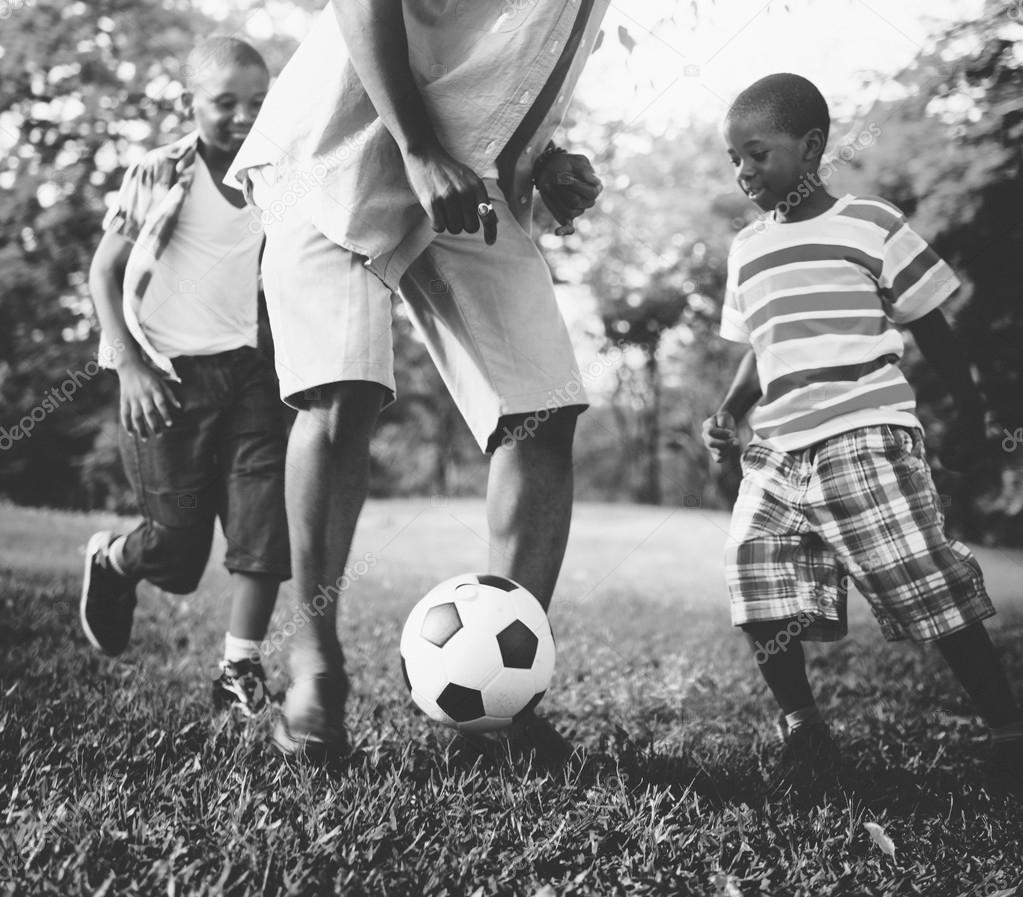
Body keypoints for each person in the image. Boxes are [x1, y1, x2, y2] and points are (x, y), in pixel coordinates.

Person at [225, 0, 609, 760]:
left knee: (542, 406)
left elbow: (495, 56)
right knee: (343, 391)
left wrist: (547, 155)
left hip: (471, 174)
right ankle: (316, 669)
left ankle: (499, 705)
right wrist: (416, 145)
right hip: (335, 149)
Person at [702, 72, 1022, 787]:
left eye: (757, 153)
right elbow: (762, 344)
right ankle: (802, 725)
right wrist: (726, 410)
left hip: (863, 434)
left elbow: (930, 324)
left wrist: (970, 413)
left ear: (810, 146)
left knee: (921, 577)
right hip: (776, 448)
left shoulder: (869, 224)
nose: (743, 172)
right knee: (752, 567)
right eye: (734, 158)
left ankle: (1008, 730)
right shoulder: (747, 249)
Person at [80, 37, 290, 717]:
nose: (240, 116)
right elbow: (103, 272)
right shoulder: (158, 170)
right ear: (189, 102)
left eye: (255, 103)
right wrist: (129, 367)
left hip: (249, 373)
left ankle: (239, 665)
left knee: (263, 528)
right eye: (224, 102)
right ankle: (115, 560)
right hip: (166, 375)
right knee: (175, 555)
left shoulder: (275, 174)